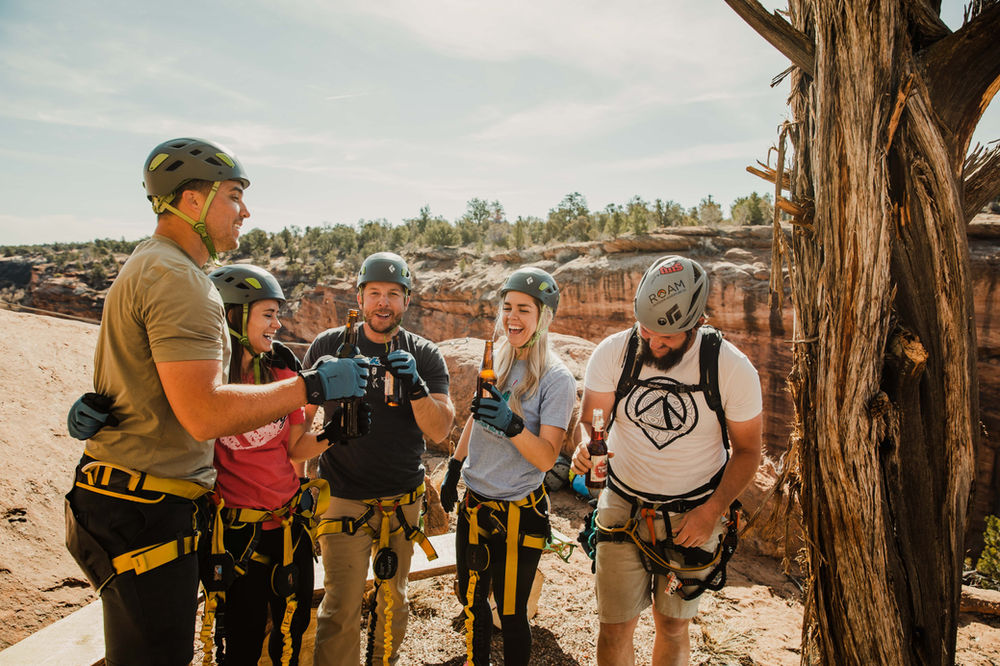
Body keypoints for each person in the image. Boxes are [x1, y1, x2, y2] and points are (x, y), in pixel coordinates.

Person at [63, 137, 369, 666]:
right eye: (233, 195)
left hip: (126, 498)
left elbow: (143, 378)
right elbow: (204, 414)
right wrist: (311, 387)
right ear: (189, 201)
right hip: (148, 509)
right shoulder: (182, 279)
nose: (245, 211)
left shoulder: (145, 264)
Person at [570, 255, 762, 666]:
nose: (654, 344)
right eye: (647, 332)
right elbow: (589, 421)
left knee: (672, 624)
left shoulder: (729, 367)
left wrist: (712, 512)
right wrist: (585, 445)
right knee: (615, 624)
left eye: (667, 338)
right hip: (622, 507)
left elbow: (748, 452)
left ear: (695, 323)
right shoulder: (614, 353)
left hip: (693, 514)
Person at [208, 264, 371, 666]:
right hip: (236, 535)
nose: (278, 325)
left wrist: (334, 434)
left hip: (287, 527)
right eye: (268, 315)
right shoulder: (208, 382)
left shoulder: (282, 369)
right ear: (234, 315)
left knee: (293, 631)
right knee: (240, 640)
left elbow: (296, 449)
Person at [305, 251, 455, 666]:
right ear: (359, 297)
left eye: (393, 293)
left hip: (402, 501)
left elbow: (440, 429)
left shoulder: (424, 355)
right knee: (340, 607)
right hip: (342, 496)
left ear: (407, 301)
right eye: (374, 293)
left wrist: (418, 389)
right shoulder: (328, 346)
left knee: (393, 601)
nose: (383, 302)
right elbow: (298, 424)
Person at [439, 266, 577, 666]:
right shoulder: (497, 359)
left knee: (513, 613)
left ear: (543, 317)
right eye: (507, 308)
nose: (512, 318)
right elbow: (476, 418)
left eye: (524, 310)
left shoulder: (557, 379)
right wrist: (454, 465)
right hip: (475, 505)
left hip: (519, 512)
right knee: (471, 601)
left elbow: (548, 456)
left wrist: (512, 424)